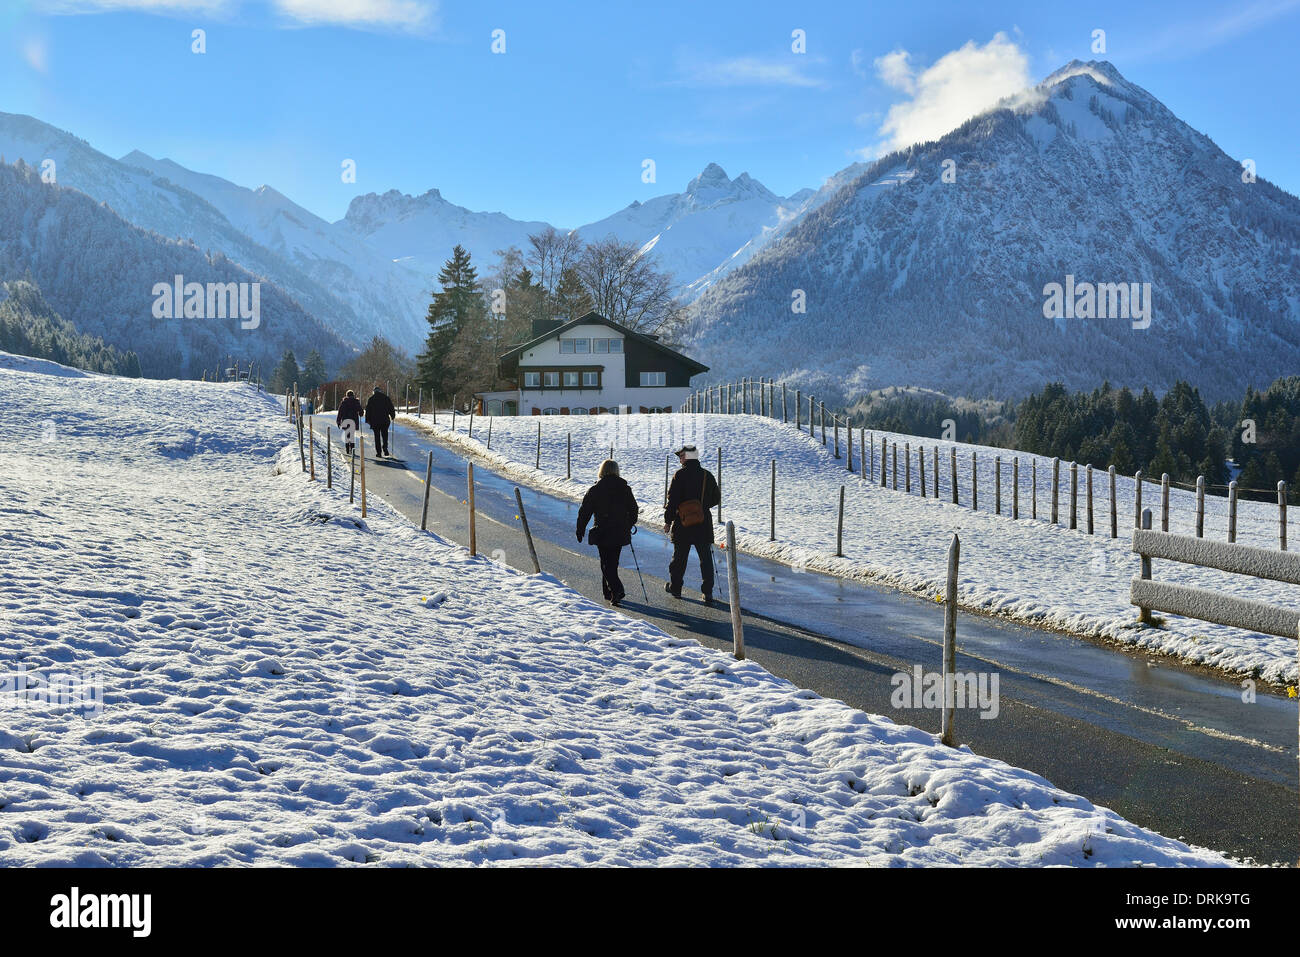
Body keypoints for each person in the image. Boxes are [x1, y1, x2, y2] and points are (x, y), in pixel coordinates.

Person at [576, 460, 639, 607]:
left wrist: (580, 529)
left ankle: (616, 590)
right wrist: (628, 524)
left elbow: (585, 511)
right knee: (612, 563)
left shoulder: (596, 489)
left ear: (602, 470)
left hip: (602, 531)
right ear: (616, 470)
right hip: (619, 531)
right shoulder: (625, 489)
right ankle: (609, 592)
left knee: (605, 563)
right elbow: (634, 509)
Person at [664, 444, 720, 605]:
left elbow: (672, 500)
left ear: (688, 457)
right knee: (706, 559)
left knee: (679, 558)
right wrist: (701, 506)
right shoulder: (706, 475)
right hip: (703, 523)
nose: (680, 459)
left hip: (683, 523)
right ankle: (707, 592)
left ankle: (676, 589)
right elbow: (716, 498)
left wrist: (668, 520)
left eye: (681, 456)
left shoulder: (679, 475)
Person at [364, 386, 396, 458]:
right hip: (385, 420)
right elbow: (391, 407)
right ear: (380, 391)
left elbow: (368, 410)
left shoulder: (371, 399)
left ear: (374, 392)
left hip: (375, 421)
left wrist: (367, 419)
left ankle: (379, 452)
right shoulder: (386, 398)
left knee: (377, 436)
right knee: (385, 435)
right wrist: (392, 415)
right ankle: (385, 449)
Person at [337, 389, 362, 456]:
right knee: (352, 435)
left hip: (345, 420)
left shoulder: (344, 402)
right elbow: (360, 411)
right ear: (353, 395)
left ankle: (347, 449)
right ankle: (352, 449)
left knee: (347, 435)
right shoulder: (356, 402)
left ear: (347, 395)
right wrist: (361, 413)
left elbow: (340, 412)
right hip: (353, 420)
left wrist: (338, 421)